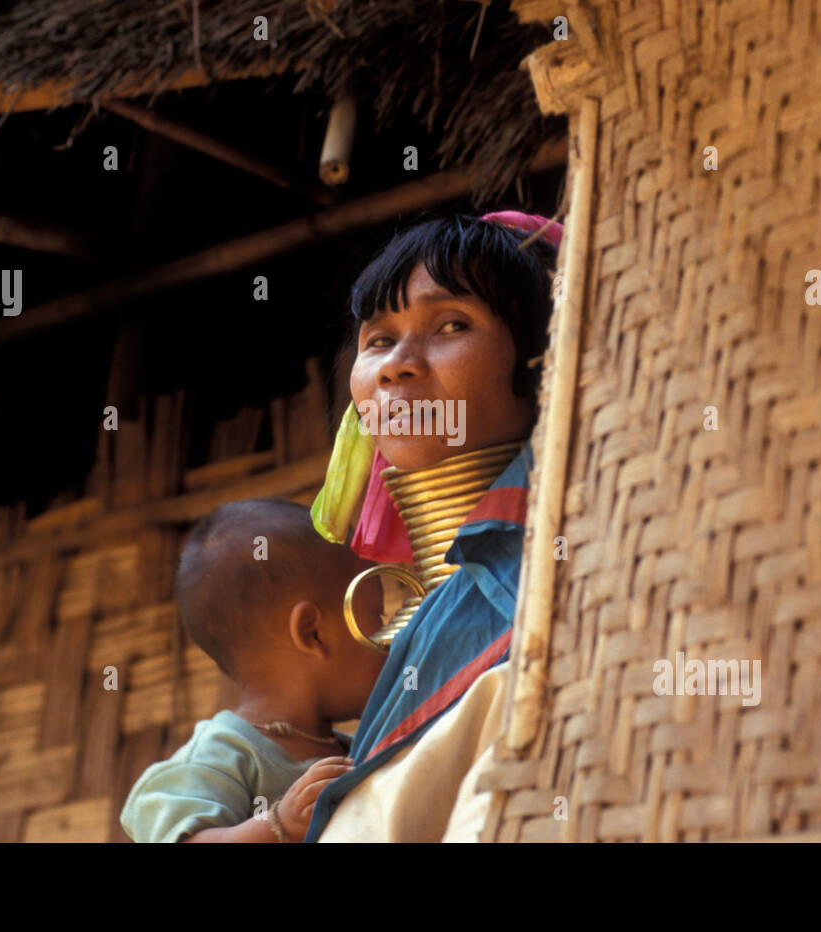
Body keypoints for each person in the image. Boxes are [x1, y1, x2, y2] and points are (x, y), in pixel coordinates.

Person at [306, 211, 562, 842]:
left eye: (451, 324)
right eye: (377, 340)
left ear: (538, 358)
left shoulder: (563, 554)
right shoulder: (429, 612)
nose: (397, 366)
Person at [119, 498, 386, 842]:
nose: (390, 636)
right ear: (312, 633)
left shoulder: (358, 748)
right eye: (377, 615)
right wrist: (277, 825)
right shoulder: (222, 754)